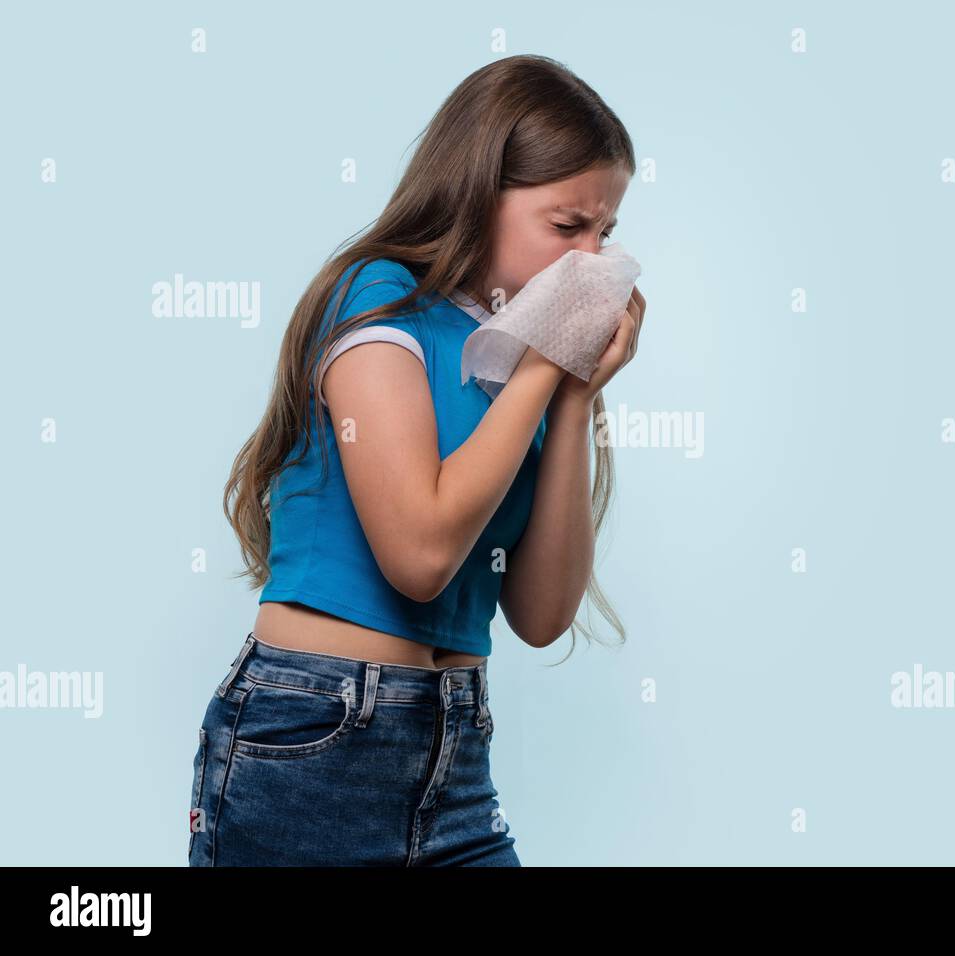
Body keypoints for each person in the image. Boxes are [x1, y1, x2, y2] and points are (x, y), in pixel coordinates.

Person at [187, 54, 646, 866]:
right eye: (566, 227)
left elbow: (540, 618)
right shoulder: (376, 301)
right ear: (478, 192)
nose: (592, 264)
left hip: (456, 751)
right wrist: (546, 367)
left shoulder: (523, 368)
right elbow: (421, 557)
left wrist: (572, 395)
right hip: (312, 737)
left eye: (605, 234)